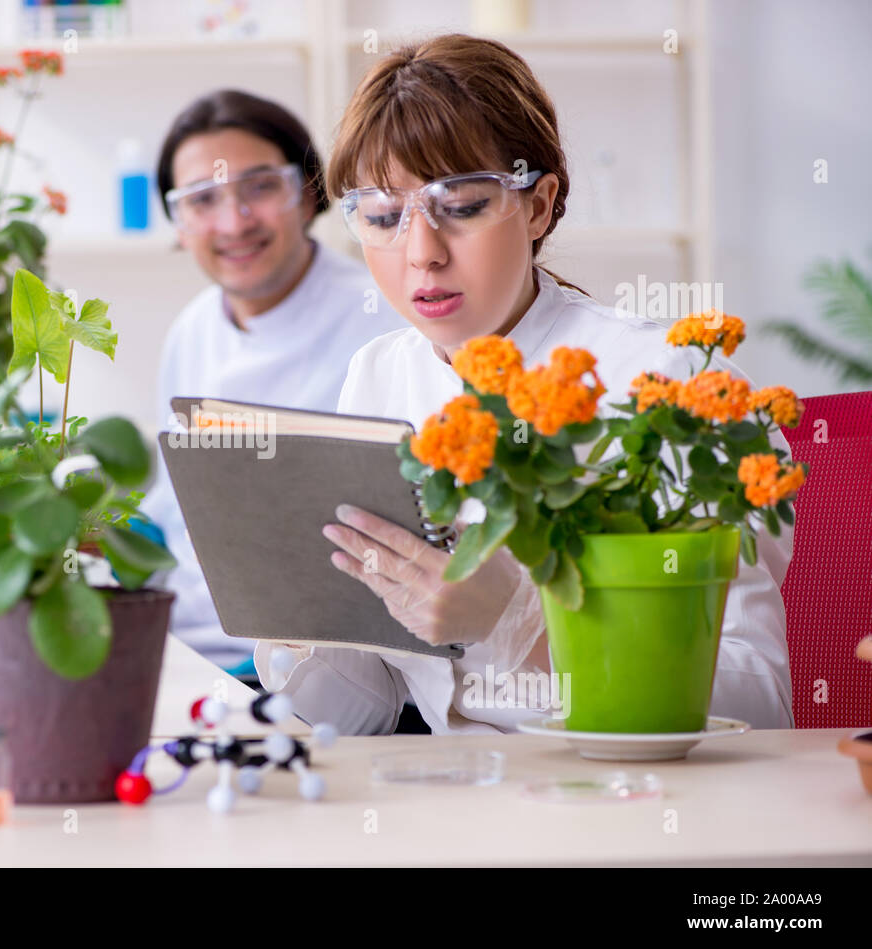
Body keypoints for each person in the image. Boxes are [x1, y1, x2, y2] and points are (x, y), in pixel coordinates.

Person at [253, 34, 795, 734]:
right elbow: (371, 711)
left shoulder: (673, 384)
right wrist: (292, 619)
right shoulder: (380, 376)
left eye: (463, 205)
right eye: (384, 217)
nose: (421, 253)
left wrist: (521, 623)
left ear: (538, 206)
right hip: (449, 803)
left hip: (622, 814)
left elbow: (759, 703)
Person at [139, 90, 407, 678]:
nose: (234, 222)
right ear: (179, 223)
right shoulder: (191, 330)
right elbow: (169, 513)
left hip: (320, 666)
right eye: (202, 200)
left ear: (307, 192)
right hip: (180, 647)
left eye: (260, 187)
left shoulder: (382, 320)